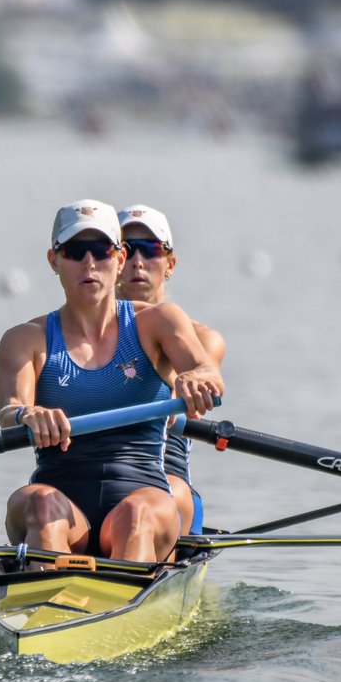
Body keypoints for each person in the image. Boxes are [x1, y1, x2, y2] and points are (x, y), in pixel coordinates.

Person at [0, 199, 224, 564]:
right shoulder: (25, 339)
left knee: (137, 518)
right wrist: (27, 415)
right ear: (54, 260)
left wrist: (197, 379)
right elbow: (9, 409)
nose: (89, 264)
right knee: (37, 502)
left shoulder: (159, 322)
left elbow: (208, 371)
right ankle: (49, 605)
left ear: (118, 260)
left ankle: (115, 608)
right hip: (61, 501)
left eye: (101, 250)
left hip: (143, 493)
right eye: (75, 251)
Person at [116, 204, 225, 536]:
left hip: (165, 474)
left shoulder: (203, 338)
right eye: (126, 250)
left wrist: (194, 379)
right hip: (89, 470)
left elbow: (203, 375)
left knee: (145, 508)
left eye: (150, 251)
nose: (138, 261)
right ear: (114, 260)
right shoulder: (79, 336)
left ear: (170, 264)